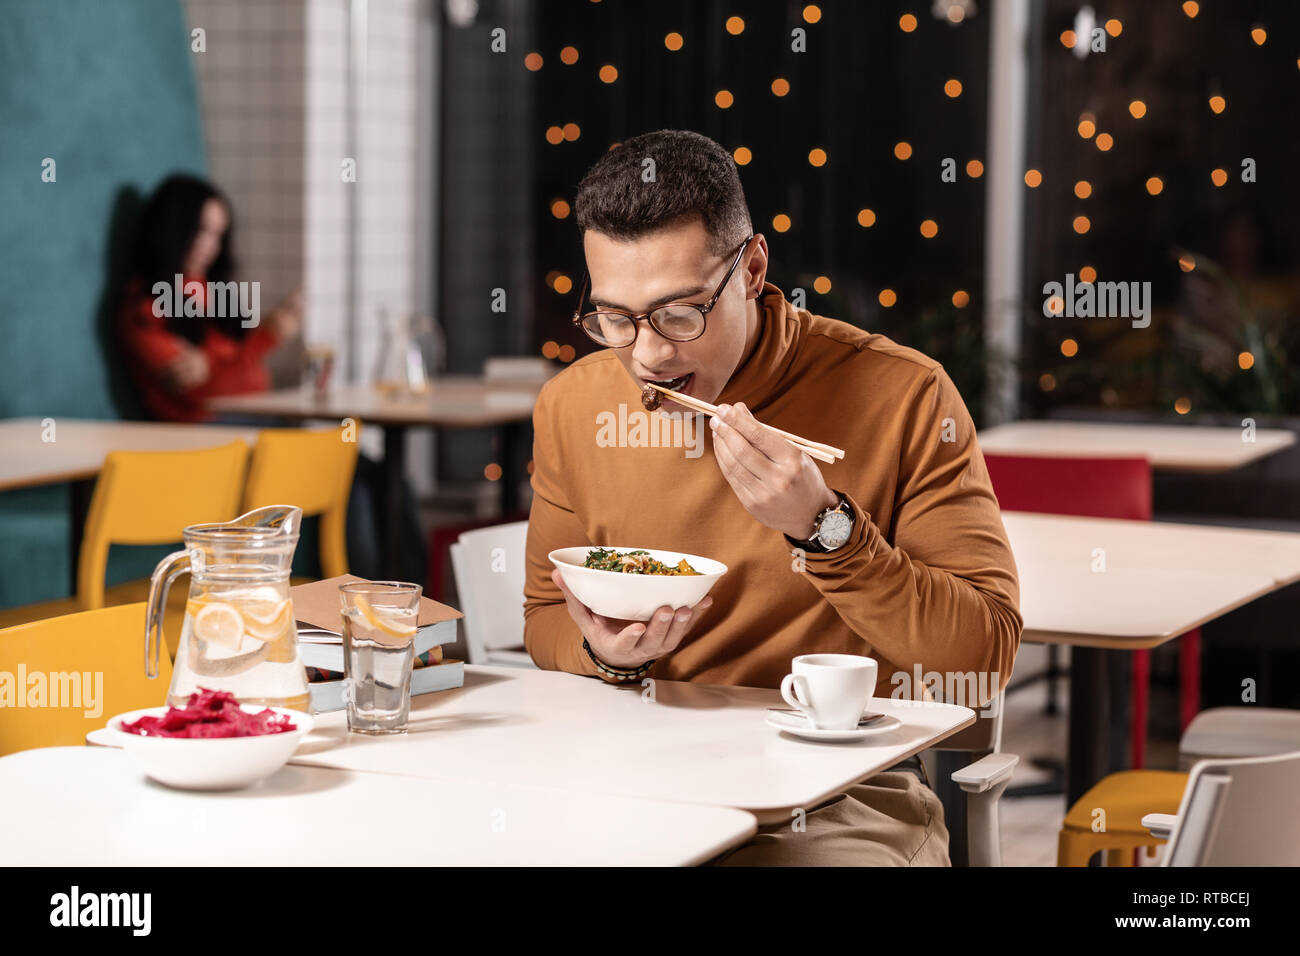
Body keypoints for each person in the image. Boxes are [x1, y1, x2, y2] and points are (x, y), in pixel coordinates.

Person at [523, 129, 1022, 866]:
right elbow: (543, 619)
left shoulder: (905, 394)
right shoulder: (574, 406)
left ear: (751, 269)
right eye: (617, 319)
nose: (649, 355)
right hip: (631, 771)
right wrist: (607, 656)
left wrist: (824, 530)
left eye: (679, 313)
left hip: (841, 789)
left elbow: (982, 656)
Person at [119, 173, 303, 423]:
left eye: (218, 235)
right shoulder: (145, 305)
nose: (211, 247)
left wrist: (210, 362)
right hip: (203, 432)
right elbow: (206, 395)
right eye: (202, 231)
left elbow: (249, 374)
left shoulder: (212, 291)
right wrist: (266, 338)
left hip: (254, 415)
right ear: (173, 227)